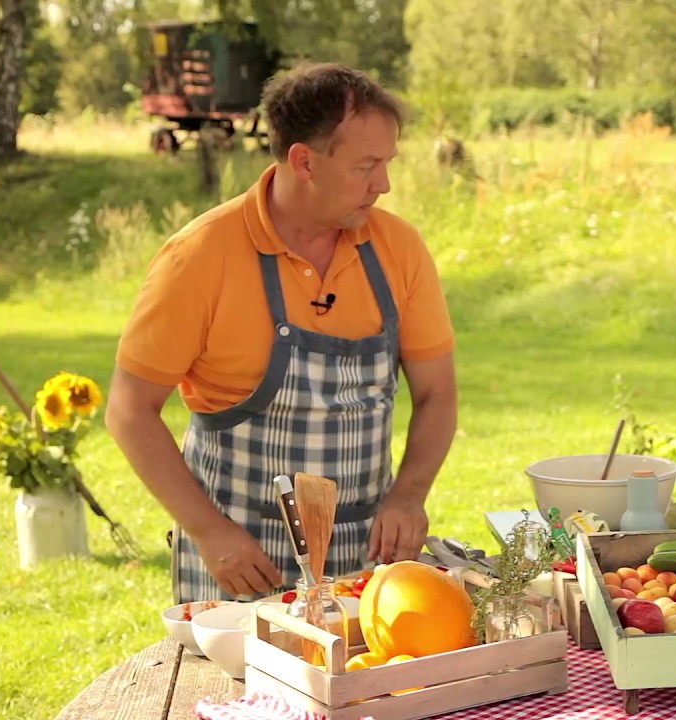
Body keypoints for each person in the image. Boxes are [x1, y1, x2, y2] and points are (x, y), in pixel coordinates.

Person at [106, 63, 458, 602]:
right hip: (242, 561)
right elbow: (129, 410)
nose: (383, 185)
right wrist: (208, 531)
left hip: (364, 562)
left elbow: (437, 394)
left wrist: (408, 497)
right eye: (366, 166)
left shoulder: (399, 250)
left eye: (387, 164)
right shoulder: (199, 257)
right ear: (304, 161)